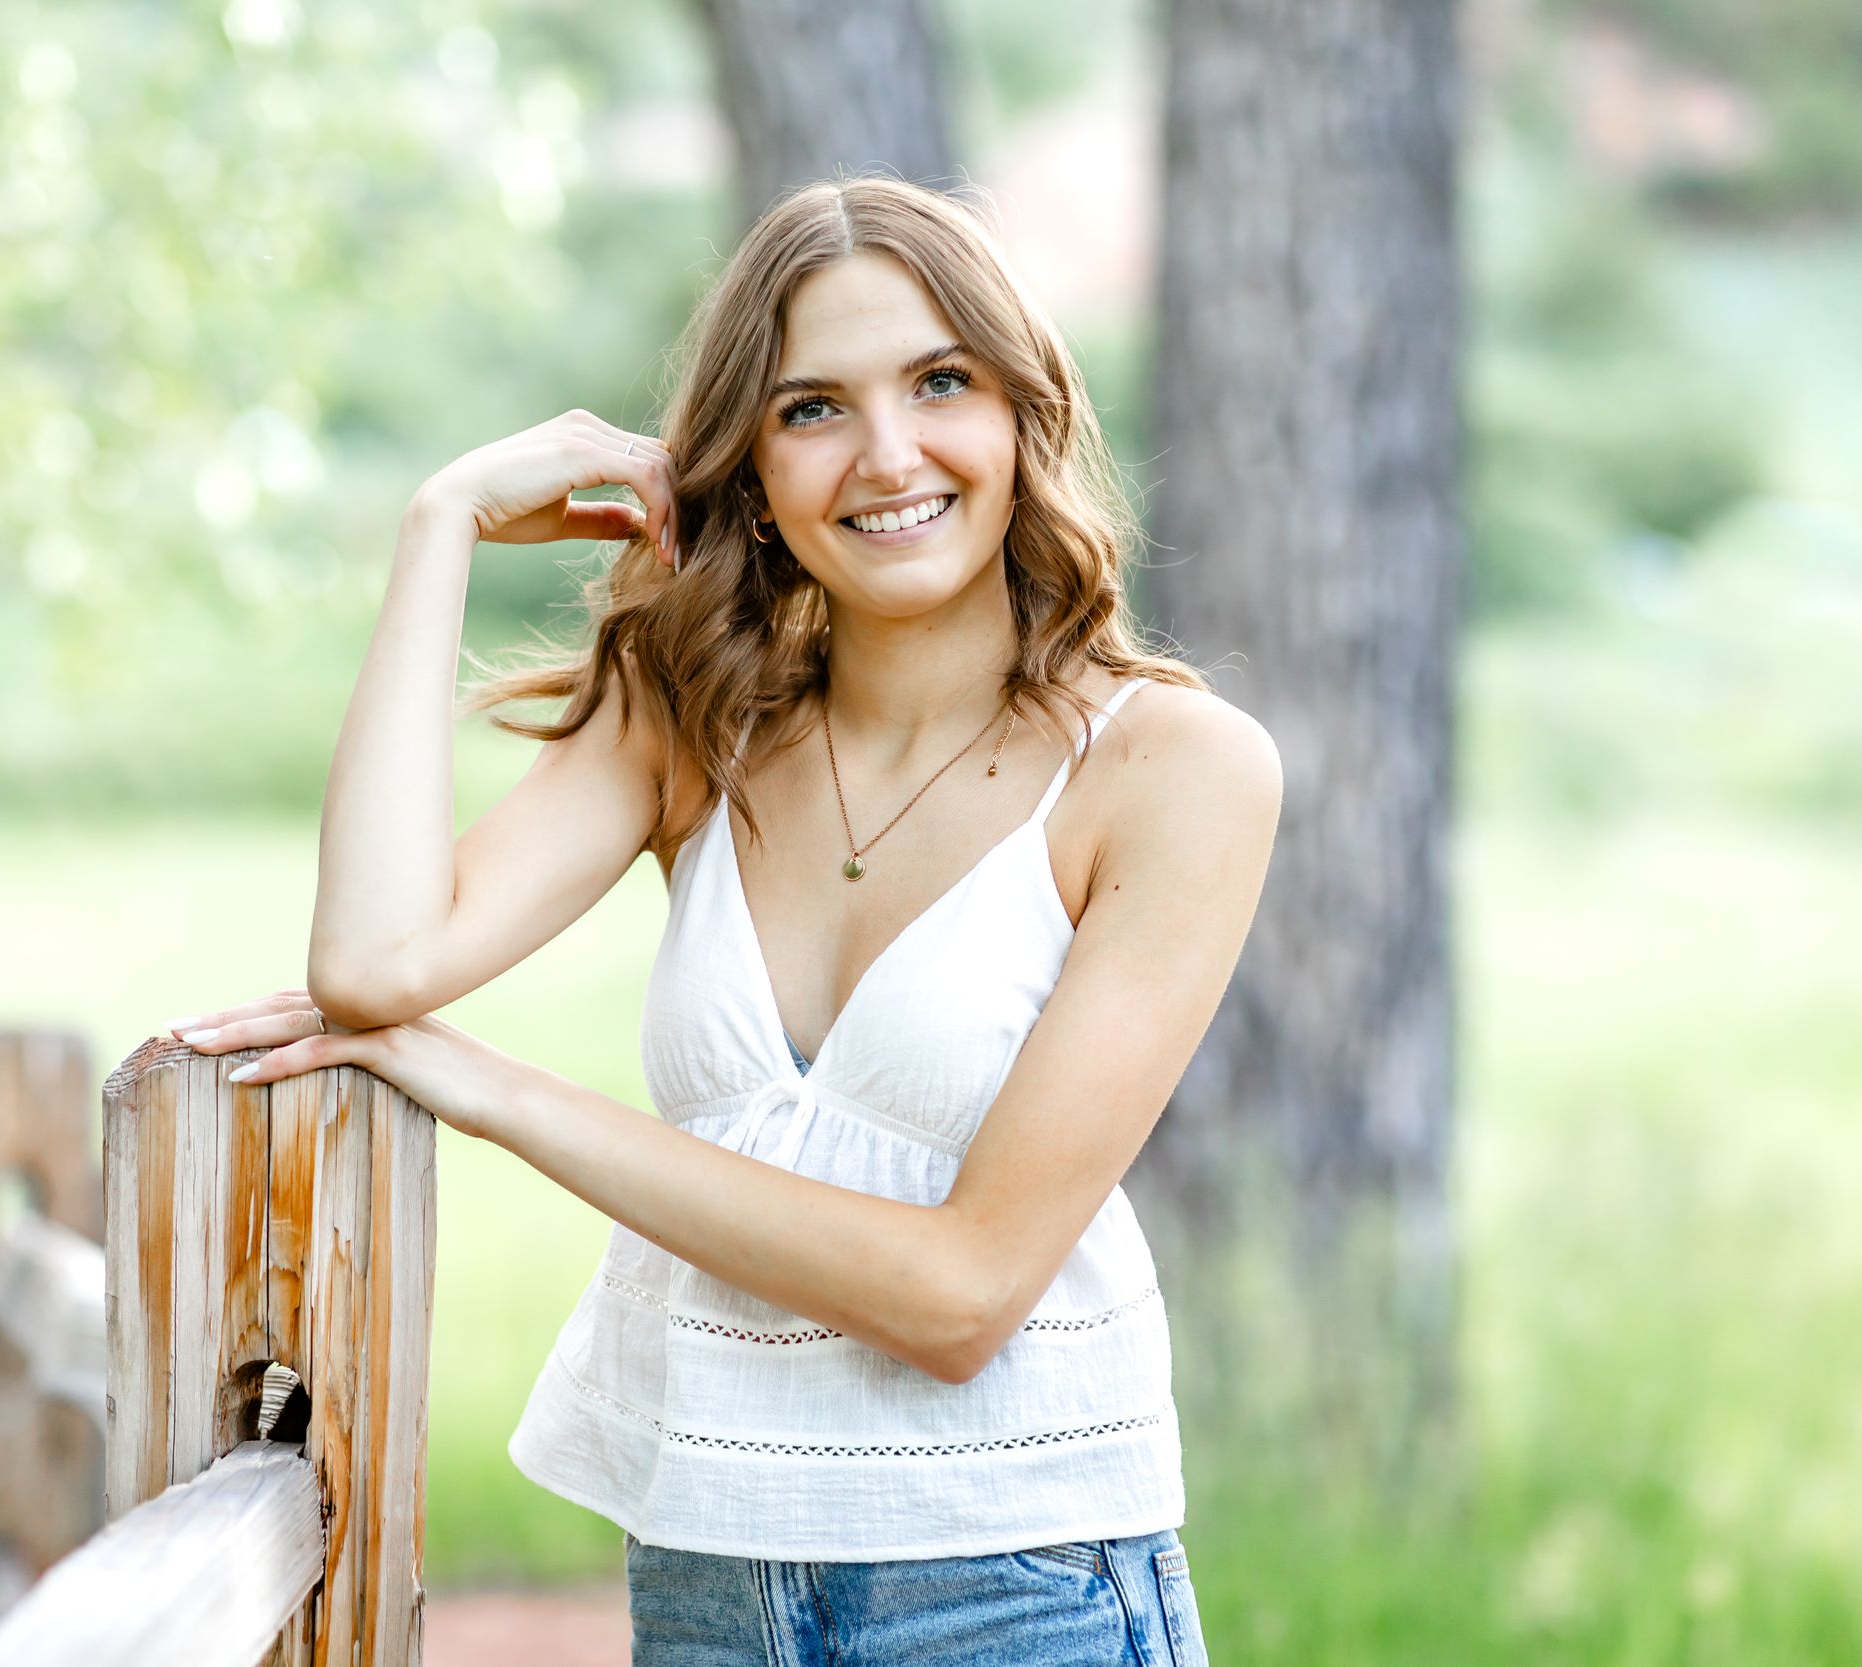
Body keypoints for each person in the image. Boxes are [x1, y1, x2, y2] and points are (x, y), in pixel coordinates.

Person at [168, 174, 1281, 1665]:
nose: (888, 455)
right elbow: (372, 965)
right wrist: (438, 525)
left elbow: (961, 1296)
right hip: (709, 1568)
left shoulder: (1167, 770)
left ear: (1023, 412)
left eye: (941, 381)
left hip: (1016, 1584)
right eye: (813, 408)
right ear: (749, 465)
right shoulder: (695, 725)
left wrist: (497, 1092)